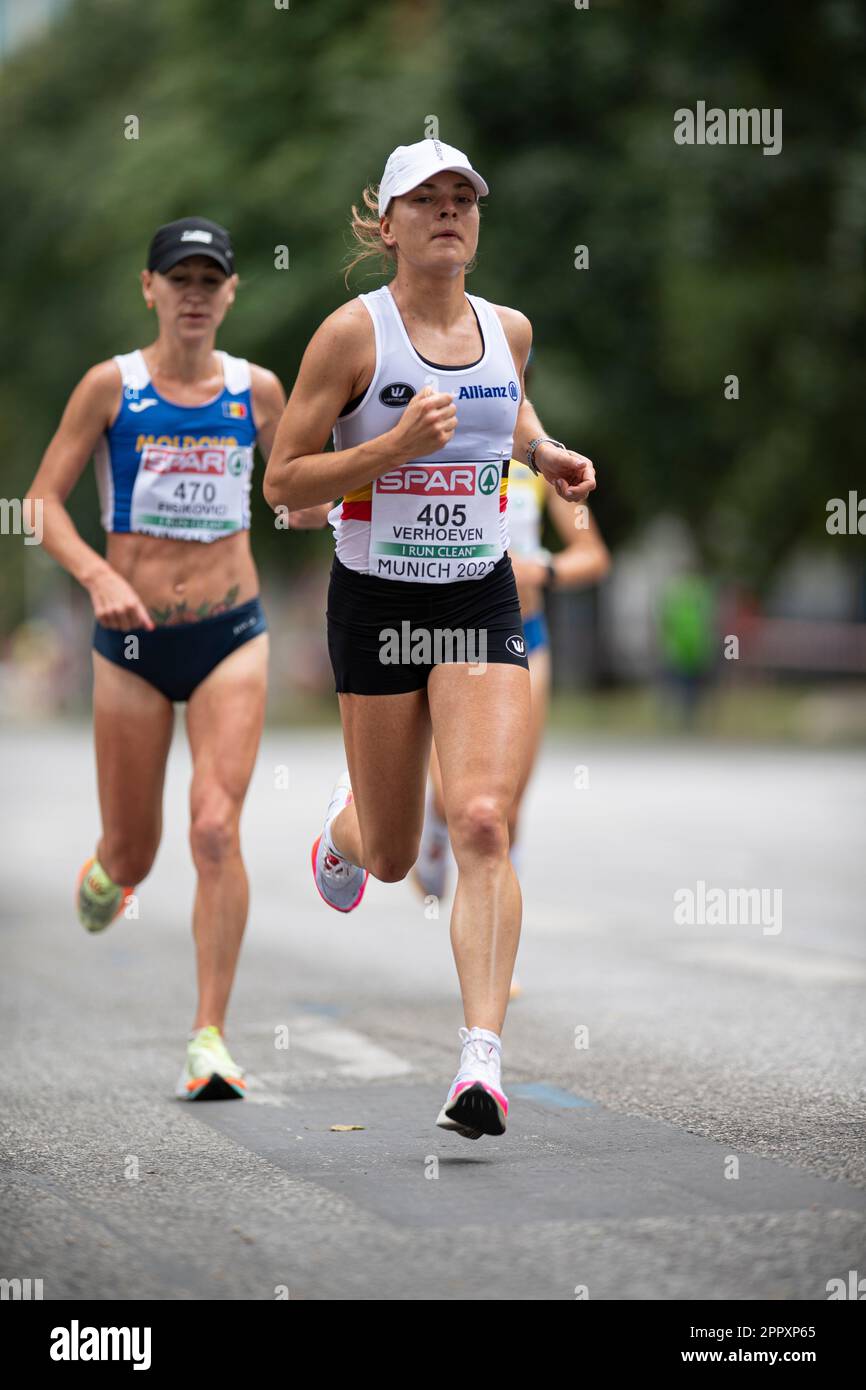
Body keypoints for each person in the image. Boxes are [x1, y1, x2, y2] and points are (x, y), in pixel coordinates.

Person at [264, 141, 596, 1141]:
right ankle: (344, 828)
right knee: (398, 852)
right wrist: (388, 450)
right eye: (427, 201)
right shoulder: (348, 339)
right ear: (388, 224)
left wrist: (544, 451)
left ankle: (479, 1064)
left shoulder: (510, 330)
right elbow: (282, 482)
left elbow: (510, 408)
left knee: (484, 820)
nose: (449, 213)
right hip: (373, 602)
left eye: (463, 200)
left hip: (477, 599)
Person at [25, 217, 326, 1101]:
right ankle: (110, 866)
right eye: (178, 280)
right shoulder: (109, 388)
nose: (194, 295)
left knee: (214, 827)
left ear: (231, 293)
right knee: (137, 853)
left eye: (210, 280)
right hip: (131, 643)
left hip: (231, 631)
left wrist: (324, 506)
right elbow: (41, 503)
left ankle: (210, 1039)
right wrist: (93, 575)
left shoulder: (257, 391)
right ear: (149, 289)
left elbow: (296, 491)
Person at [413, 426, 611, 997]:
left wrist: (541, 570)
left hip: (524, 634)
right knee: (457, 798)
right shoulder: (449, 436)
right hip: (445, 632)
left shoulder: (543, 459)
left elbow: (592, 556)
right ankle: (431, 822)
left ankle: (497, 952)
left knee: (505, 804)